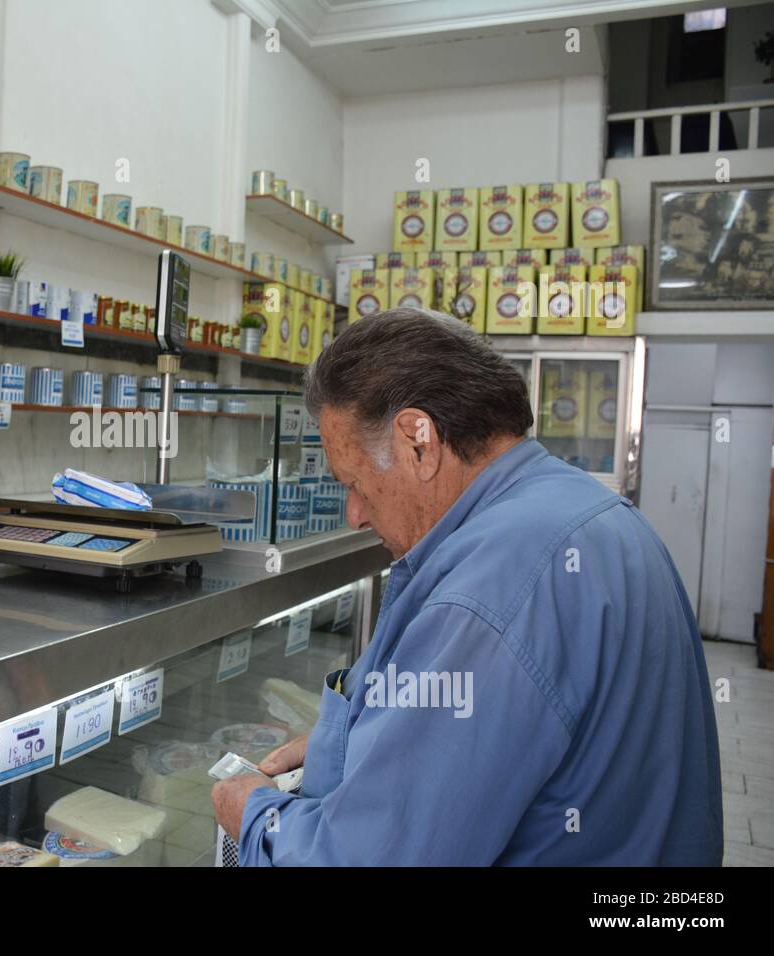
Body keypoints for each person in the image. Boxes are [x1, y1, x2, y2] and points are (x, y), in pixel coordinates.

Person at [212, 308, 722, 865]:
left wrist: (255, 816)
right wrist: (364, 738)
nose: (354, 514)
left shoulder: (490, 591)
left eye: (354, 483)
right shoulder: (590, 509)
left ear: (419, 443)